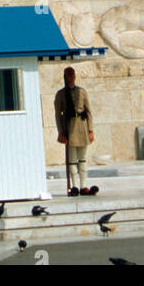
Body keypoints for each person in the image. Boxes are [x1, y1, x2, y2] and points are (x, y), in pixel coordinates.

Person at [54, 65, 97, 197]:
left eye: (72, 75)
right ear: (65, 77)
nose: (71, 77)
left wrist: (90, 130)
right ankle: (74, 186)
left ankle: (83, 186)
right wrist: (61, 132)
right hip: (70, 127)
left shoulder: (82, 92)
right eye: (69, 75)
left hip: (82, 126)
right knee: (72, 159)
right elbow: (58, 114)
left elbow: (88, 112)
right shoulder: (61, 94)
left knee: (82, 158)